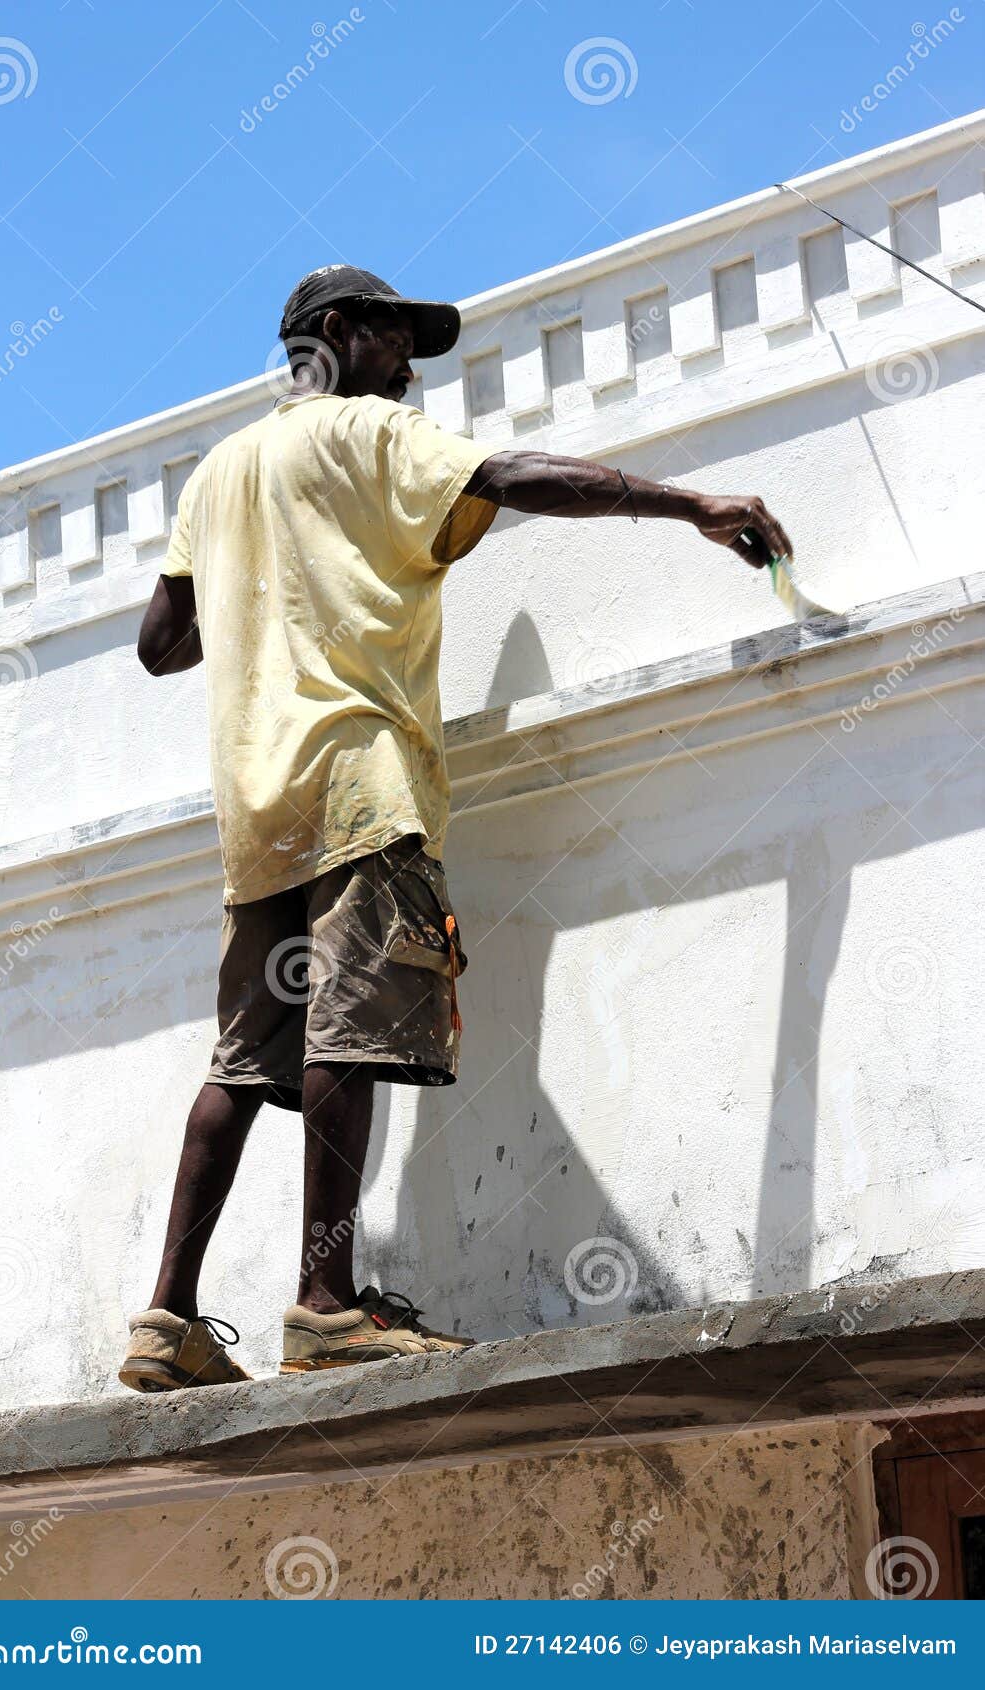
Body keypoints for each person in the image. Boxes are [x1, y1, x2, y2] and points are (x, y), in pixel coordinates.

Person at [119, 264, 793, 1391]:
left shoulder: (219, 471)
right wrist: (689, 504)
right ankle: (327, 1306)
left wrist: (264, 581)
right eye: (394, 339)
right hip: (358, 785)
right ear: (336, 334)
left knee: (241, 1063)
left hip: (256, 810)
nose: (410, 365)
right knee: (348, 1035)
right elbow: (514, 475)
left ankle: (166, 1320)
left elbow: (159, 641)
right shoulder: (367, 431)